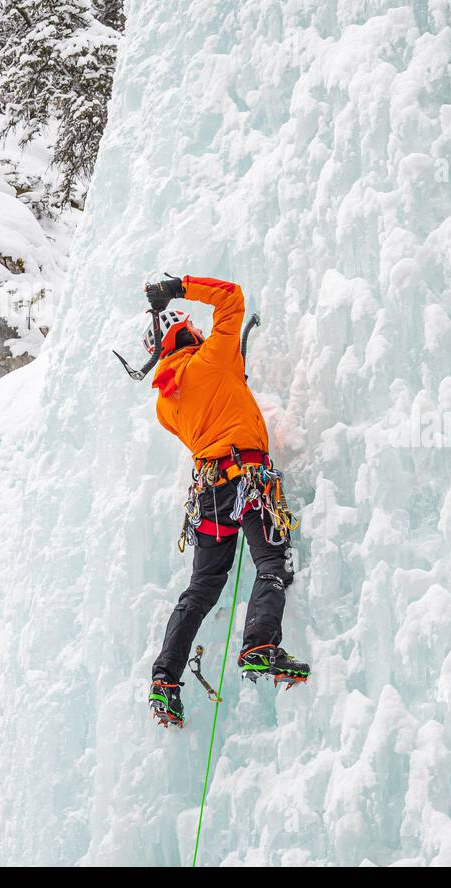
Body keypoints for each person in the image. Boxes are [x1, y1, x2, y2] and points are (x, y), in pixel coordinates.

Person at [142, 275, 307, 729]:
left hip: (209, 493)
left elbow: (214, 403)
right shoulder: (211, 361)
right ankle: (259, 644)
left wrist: (233, 375)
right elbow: (231, 297)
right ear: (187, 335)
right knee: (272, 560)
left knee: (202, 587)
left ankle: (165, 679)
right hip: (247, 479)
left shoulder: (165, 405)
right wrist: (179, 285)